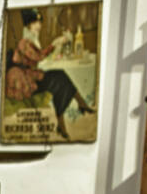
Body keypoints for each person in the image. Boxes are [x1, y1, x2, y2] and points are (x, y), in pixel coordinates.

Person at [6, 8, 96, 139]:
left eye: (39, 22)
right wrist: (55, 44)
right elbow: (39, 57)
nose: (39, 26)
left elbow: (38, 58)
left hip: (31, 76)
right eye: (35, 23)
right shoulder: (24, 42)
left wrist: (55, 46)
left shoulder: (32, 39)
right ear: (28, 25)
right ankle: (77, 109)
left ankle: (72, 113)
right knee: (60, 78)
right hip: (24, 82)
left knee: (61, 78)